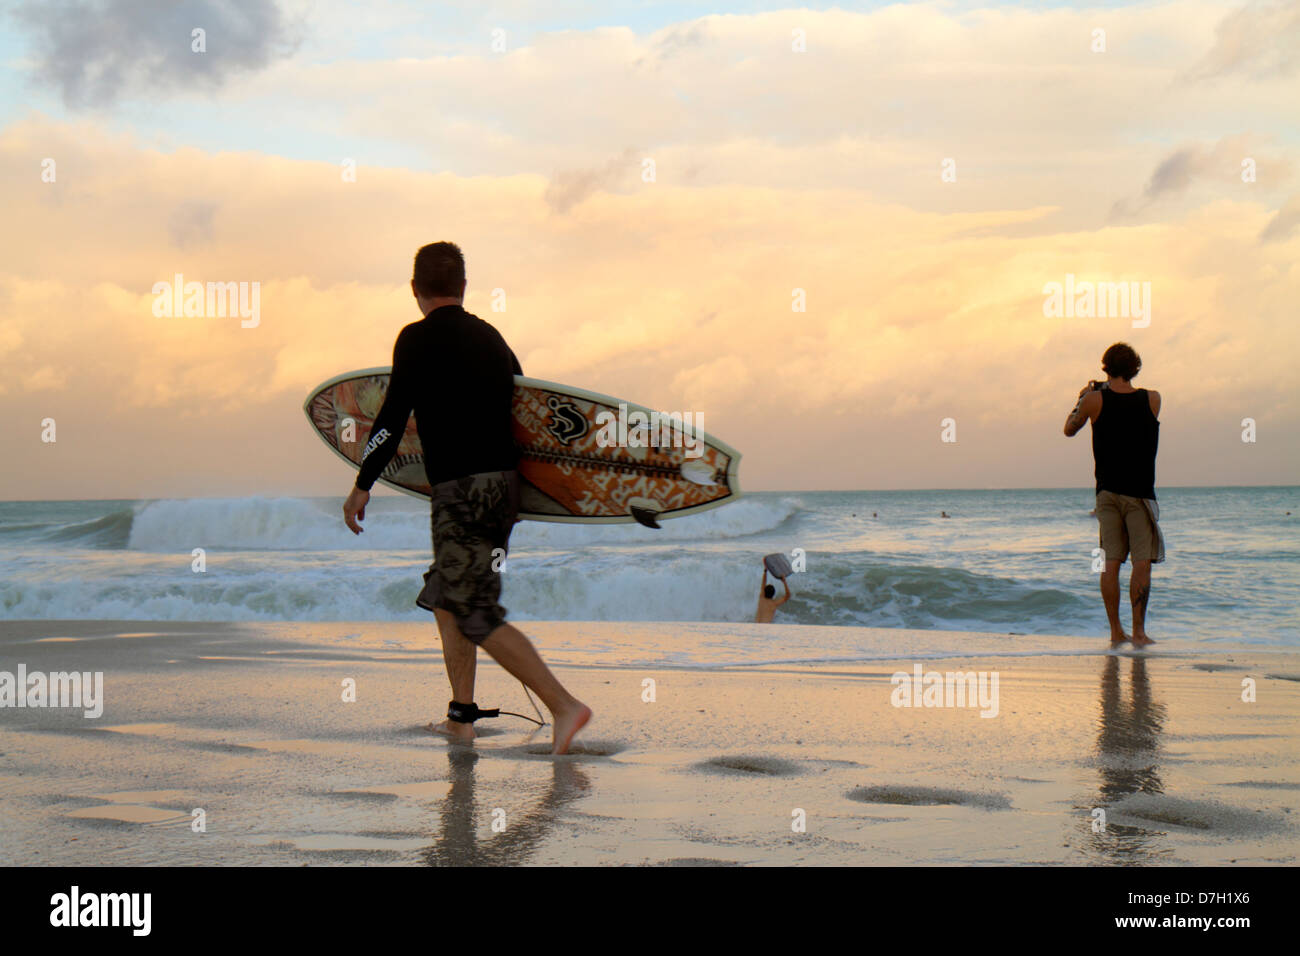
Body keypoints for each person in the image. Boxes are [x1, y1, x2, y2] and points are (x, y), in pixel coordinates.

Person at [342, 242, 591, 753]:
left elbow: (389, 422)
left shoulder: (414, 341)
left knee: (473, 611)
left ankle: (565, 706)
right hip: (504, 488)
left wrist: (363, 483)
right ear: (464, 288)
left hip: (461, 490)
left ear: (415, 290)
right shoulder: (491, 337)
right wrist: (531, 496)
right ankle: (461, 717)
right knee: (444, 594)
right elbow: (530, 412)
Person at [1063, 342, 1163, 649]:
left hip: (1106, 493)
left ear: (1105, 367)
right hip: (1139, 492)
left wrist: (1082, 398)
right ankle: (1140, 633)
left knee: (1111, 563)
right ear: (1135, 368)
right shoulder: (1152, 399)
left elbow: (1069, 429)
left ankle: (1116, 632)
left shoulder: (1094, 400)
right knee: (1142, 562)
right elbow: (1127, 398)